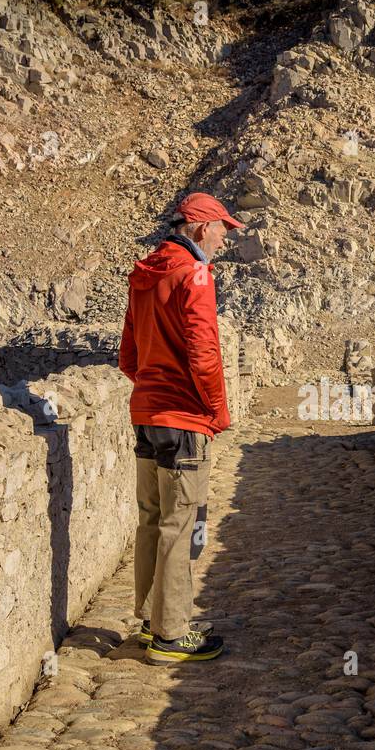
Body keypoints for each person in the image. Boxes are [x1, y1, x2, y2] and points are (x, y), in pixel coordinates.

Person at [117, 192, 242, 664]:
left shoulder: (146, 272)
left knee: (152, 516)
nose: (225, 239)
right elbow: (203, 352)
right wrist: (216, 411)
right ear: (198, 227)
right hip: (183, 416)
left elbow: (129, 354)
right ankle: (171, 635)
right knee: (179, 520)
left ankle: (154, 618)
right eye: (221, 230)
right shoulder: (194, 274)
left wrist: (153, 386)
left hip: (146, 412)